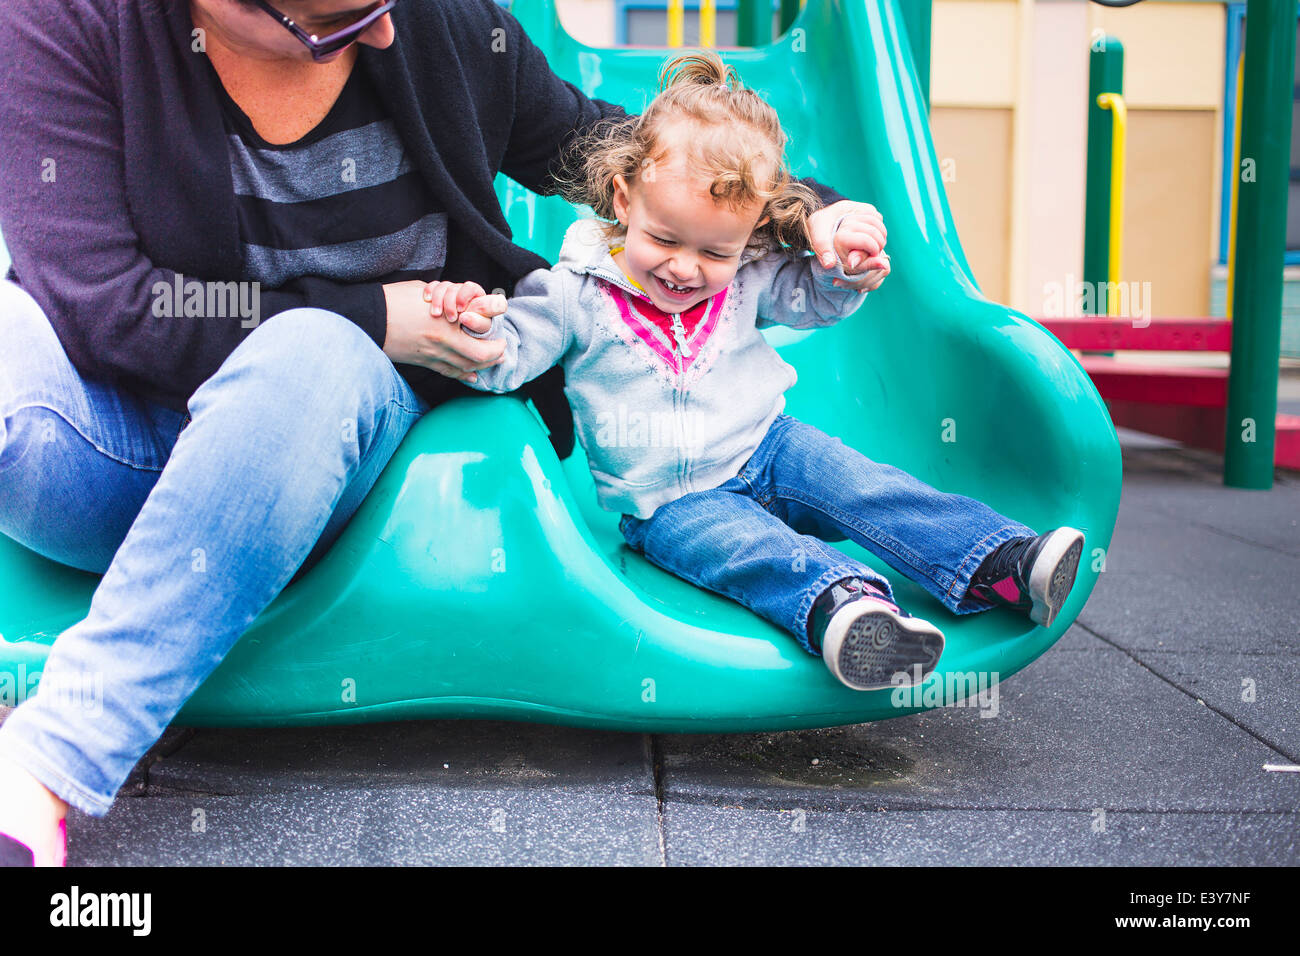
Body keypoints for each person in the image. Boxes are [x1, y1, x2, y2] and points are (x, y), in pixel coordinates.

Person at [0, 1, 879, 866]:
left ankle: (46, 764)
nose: (384, 32)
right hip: (120, 451)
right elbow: (111, 304)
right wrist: (372, 312)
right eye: (338, 22)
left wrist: (813, 218)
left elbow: (643, 159)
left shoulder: (431, 19)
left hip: (318, 432)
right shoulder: (64, 23)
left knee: (306, 349)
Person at [426, 51, 1085, 697]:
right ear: (624, 199)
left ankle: (997, 562)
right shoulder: (573, 293)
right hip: (673, 501)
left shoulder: (745, 276)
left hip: (771, 448)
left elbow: (810, 299)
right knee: (752, 552)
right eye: (665, 239)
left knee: (867, 487)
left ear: (748, 237)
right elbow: (506, 357)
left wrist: (843, 270)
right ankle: (847, 611)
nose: (685, 267)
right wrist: (473, 326)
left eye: (715, 249)